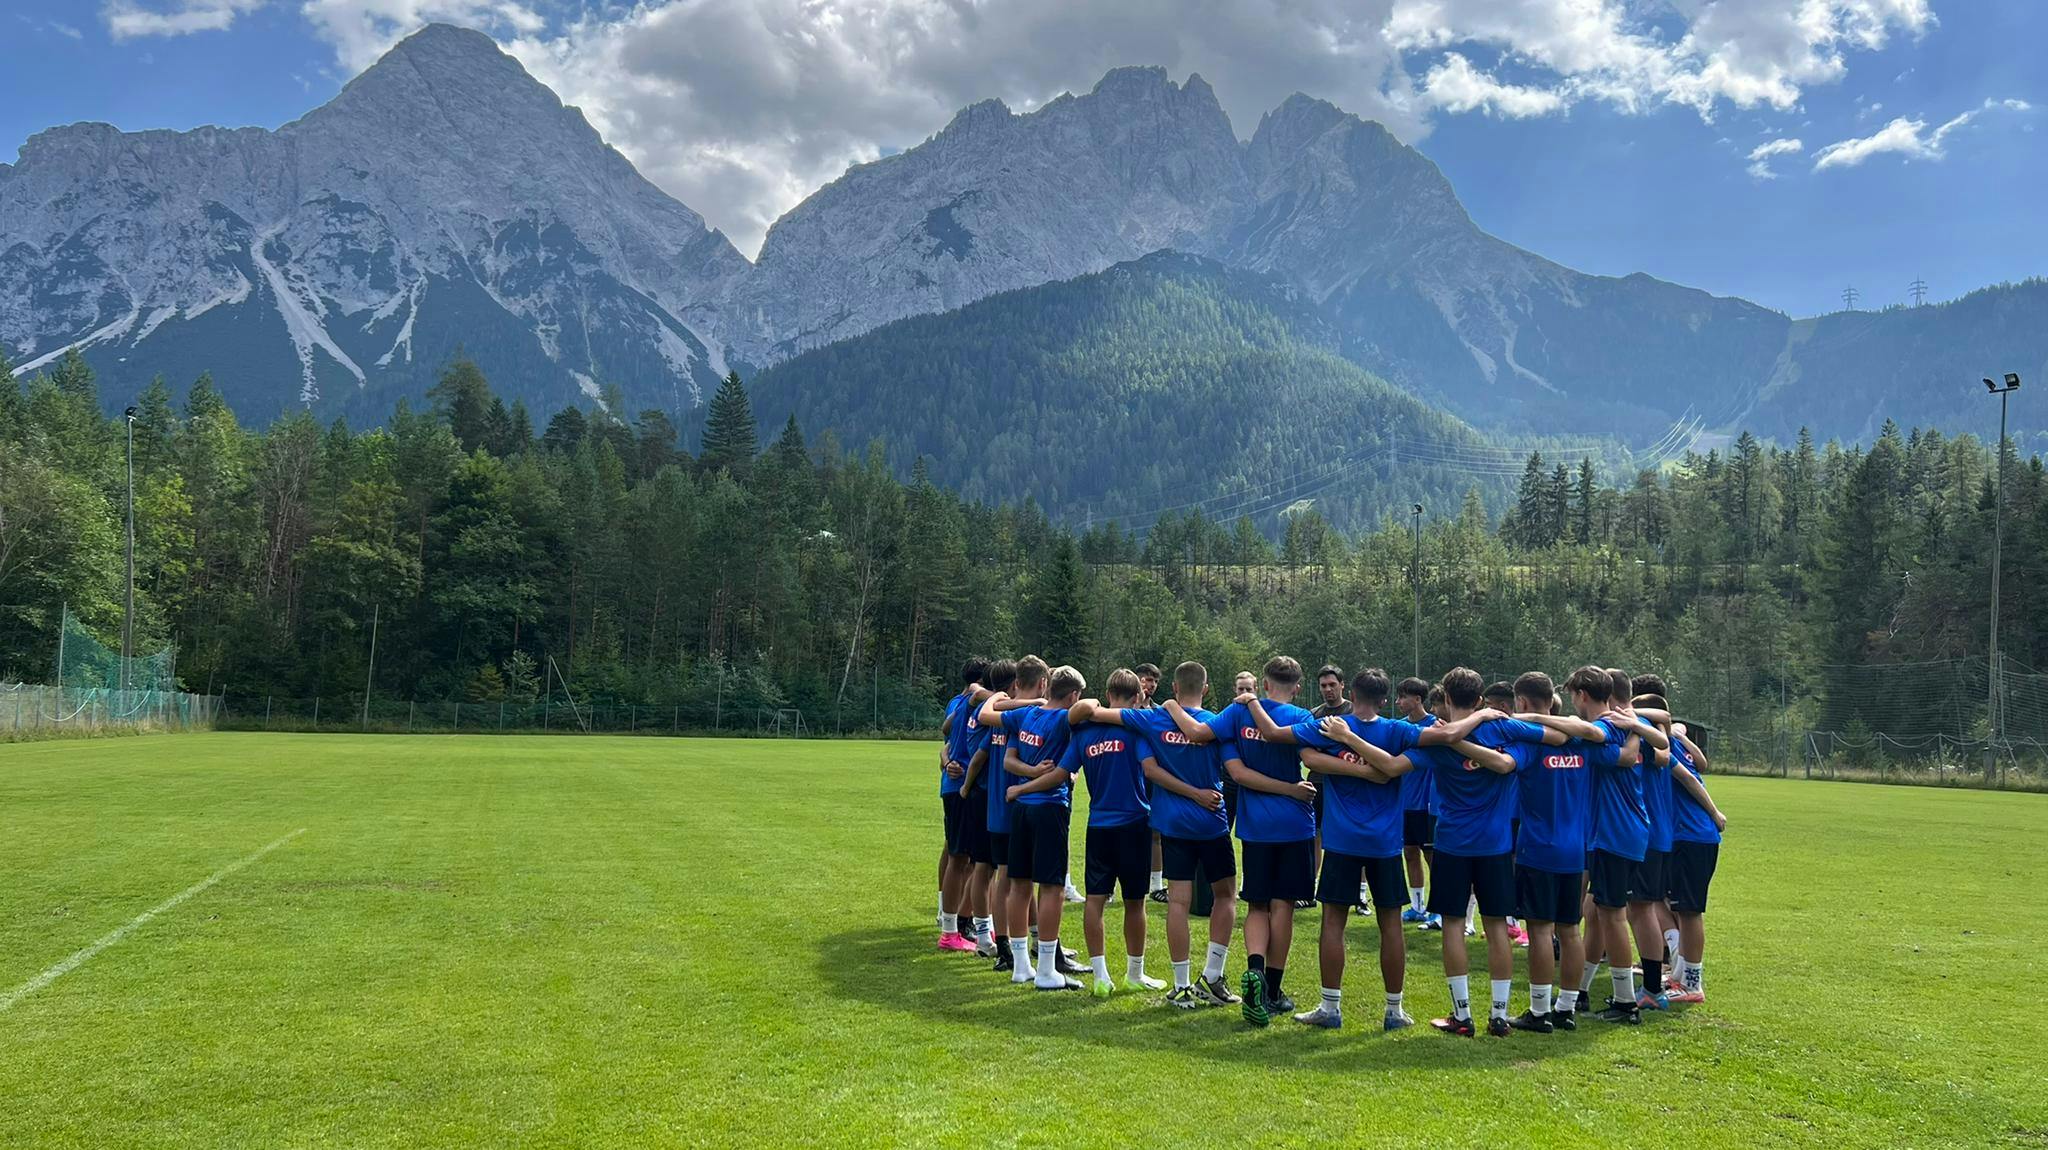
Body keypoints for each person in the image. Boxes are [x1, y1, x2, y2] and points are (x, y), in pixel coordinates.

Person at [1256, 668, 1446, 1032]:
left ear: (1351, 693)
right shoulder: (1399, 731)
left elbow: (1275, 735)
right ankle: (1394, 1011)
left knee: (1333, 923)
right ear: (1387, 700)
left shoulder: (1331, 727)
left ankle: (1330, 1007)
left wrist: (1250, 701)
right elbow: (1438, 739)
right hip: (1386, 844)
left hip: (1342, 842)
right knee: (1391, 926)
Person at [1072, 661, 1242, 1009]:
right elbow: (1232, 768)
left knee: (1177, 902)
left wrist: (1087, 708)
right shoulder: (1218, 722)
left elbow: (1107, 720)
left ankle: (1181, 986)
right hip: (1211, 820)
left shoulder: (1152, 720)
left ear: (1174, 689)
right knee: (1225, 896)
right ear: (1206, 689)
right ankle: (1212, 975)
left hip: (1172, 823)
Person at [1401, 669, 1556, 1037]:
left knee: (1453, 925)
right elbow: (1557, 734)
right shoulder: (1504, 730)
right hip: (1498, 845)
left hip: (1453, 844)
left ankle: (1463, 1016)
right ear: (1481, 699)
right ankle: (1499, 1016)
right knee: (1496, 926)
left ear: (1446, 700)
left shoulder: (1437, 739)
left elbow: (1393, 766)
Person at [1167, 657, 1316, 1027]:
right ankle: (1273, 991)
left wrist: (1170, 705)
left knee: (1257, 906)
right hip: (1295, 824)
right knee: (1283, 907)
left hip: (1255, 827)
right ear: (1297, 686)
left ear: (1264, 683)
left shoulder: (1237, 714)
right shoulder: (1303, 716)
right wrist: (1292, 790)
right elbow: (1313, 758)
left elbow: (1213, 747)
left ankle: (1254, 970)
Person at [1498, 671, 1620, 1033]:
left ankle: (1539, 1012)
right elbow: (1621, 752)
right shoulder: (1584, 745)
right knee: (1570, 932)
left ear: (1521, 702)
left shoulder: (1532, 744)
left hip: (1537, 850)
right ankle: (1566, 1007)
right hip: (1575, 852)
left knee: (1539, 931)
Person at [1563, 666, 1658, 1024]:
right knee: (1596, 912)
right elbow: (1657, 745)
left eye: (1574, 695)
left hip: (1614, 833)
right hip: (1626, 830)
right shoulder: (1624, 725)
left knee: (1612, 916)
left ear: (1582, 695)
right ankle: (1580, 991)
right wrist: (1635, 727)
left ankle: (1625, 1002)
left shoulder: (1603, 732)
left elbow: (1620, 756)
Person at [1063, 669, 1165, 997]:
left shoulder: (1085, 733)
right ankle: (1135, 974)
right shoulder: (1136, 732)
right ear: (1137, 698)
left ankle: (1101, 976)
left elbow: (1065, 772)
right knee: (1135, 903)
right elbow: (1153, 770)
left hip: (1099, 826)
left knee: (1095, 900)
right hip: (1135, 824)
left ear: (1108, 695)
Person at [995, 665, 1088, 991]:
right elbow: (1062, 774)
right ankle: (1047, 969)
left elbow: (1009, 760)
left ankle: (1021, 965)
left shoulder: (1026, 716)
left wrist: (1024, 779)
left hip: (1020, 812)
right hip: (1048, 808)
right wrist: (1029, 782)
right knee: (1052, 888)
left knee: (1019, 884)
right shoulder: (1065, 720)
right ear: (1074, 695)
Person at [1662, 716, 1726, 1004]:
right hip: (1684, 836)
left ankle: (1692, 983)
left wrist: (1714, 813)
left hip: (1692, 835)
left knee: (1689, 911)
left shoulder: (1666, 745)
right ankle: (1680, 975)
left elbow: (1691, 776)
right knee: (1675, 906)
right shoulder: (1666, 741)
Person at [957, 659, 1016, 959]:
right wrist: (967, 786)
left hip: (982, 794)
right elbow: (980, 755)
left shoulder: (984, 704)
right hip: (984, 794)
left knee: (985, 867)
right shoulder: (995, 709)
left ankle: (985, 931)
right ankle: (984, 935)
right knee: (986, 868)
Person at [936, 657, 989, 952]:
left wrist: (946, 761)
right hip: (962, 788)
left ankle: (956, 919)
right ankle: (950, 926)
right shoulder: (971, 701)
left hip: (958, 785)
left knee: (961, 854)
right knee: (961, 857)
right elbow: (949, 737)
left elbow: (946, 737)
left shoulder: (960, 702)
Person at [1394, 676, 1437, 927]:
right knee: (1409, 852)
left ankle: (1438, 909)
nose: (1399, 701)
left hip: (1427, 804)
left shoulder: (1435, 725)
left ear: (1418, 699)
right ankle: (1418, 906)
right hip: (1405, 803)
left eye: (1403, 697)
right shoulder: (1399, 727)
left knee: (1431, 856)